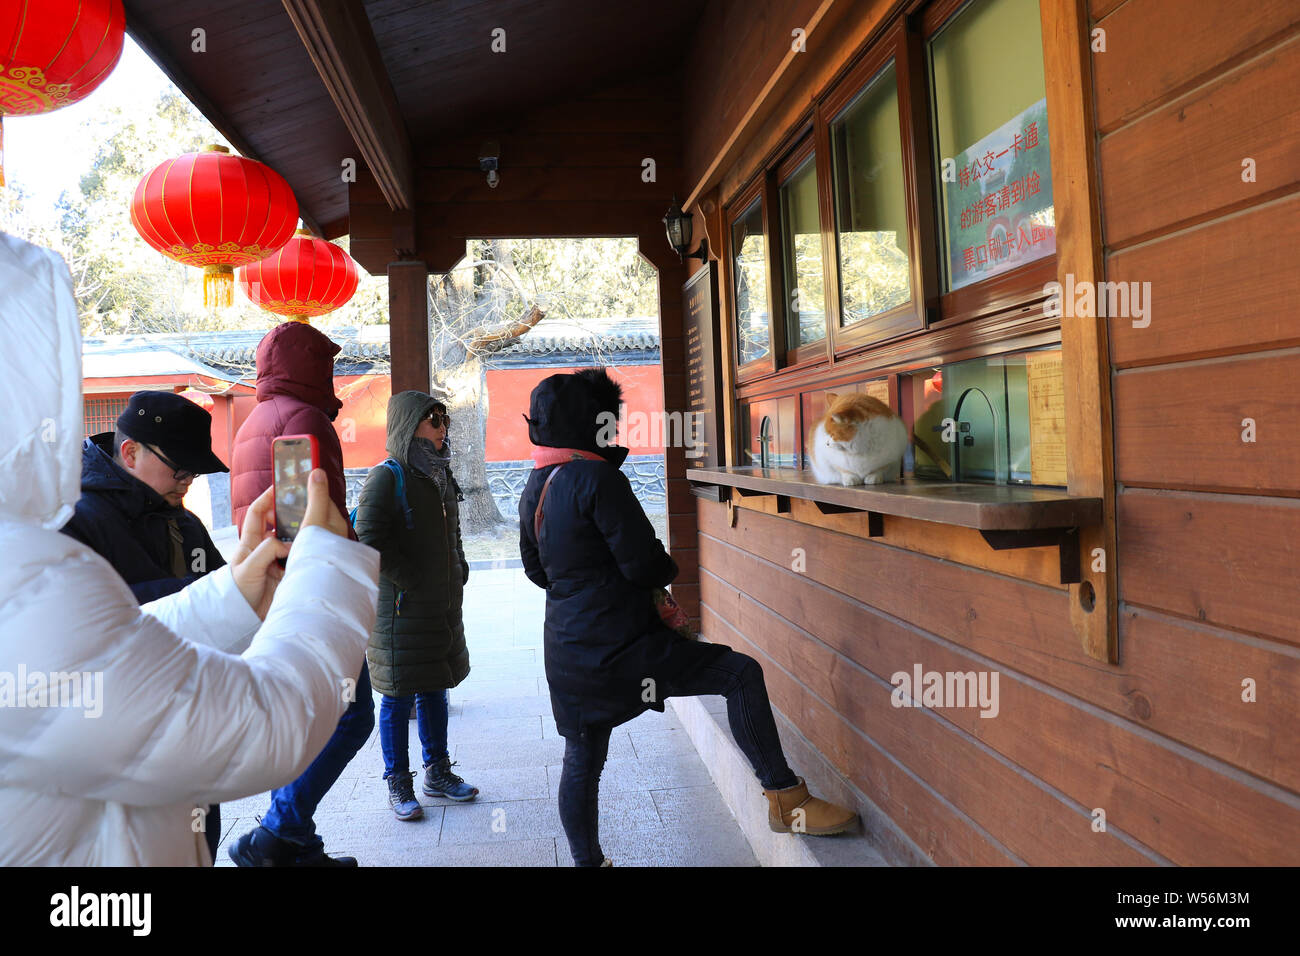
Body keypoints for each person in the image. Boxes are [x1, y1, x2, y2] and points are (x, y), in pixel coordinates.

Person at [0, 230, 380, 866]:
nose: (185, 482)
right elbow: (260, 727)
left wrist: (233, 589)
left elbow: (113, 646)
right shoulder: (33, 559)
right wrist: (326, 566)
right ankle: (283, 836)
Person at [518, 368, 857, 867]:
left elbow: (534, 569)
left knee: (583, 756)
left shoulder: (537, 483)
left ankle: (588, 863)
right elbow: (645, 565)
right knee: (740, 675)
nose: (615, 429)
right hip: (624, 645)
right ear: (590, 422)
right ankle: (787, 799)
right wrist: (655, 570)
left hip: (569, 650)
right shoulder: (596, 477)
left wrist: (581, 584)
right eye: (609, 421)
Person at [60, 389, 234, 860]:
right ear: (131, 452)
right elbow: (79, 621)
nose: (188, 482)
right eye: (180, 470)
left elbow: (225, 601)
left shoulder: (187, 525)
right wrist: (204, 598)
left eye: (194, 472)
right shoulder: (71, 519)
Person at [226, 319, 375, 866]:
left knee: (307, 716)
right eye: (326, 363)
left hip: (277, 590)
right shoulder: (300, 418)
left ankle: (293, 842)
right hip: (311, 594)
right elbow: (298, 519)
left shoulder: (254, 419)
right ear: (309, 366)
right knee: (352, 716)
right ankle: (276, 834)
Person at [354, 391, 477, 820]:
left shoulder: (440, 475)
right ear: (410, 426)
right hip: (401, 610)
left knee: (435, 687)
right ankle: (398, 783)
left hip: (439, 607)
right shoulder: (388, 476)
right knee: (397, 697)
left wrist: (458, 567)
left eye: (445, 421)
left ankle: (438, 772)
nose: (443, 429)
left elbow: (453, 533)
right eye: (434, 421)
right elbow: (367, 537)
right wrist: (412, 579)